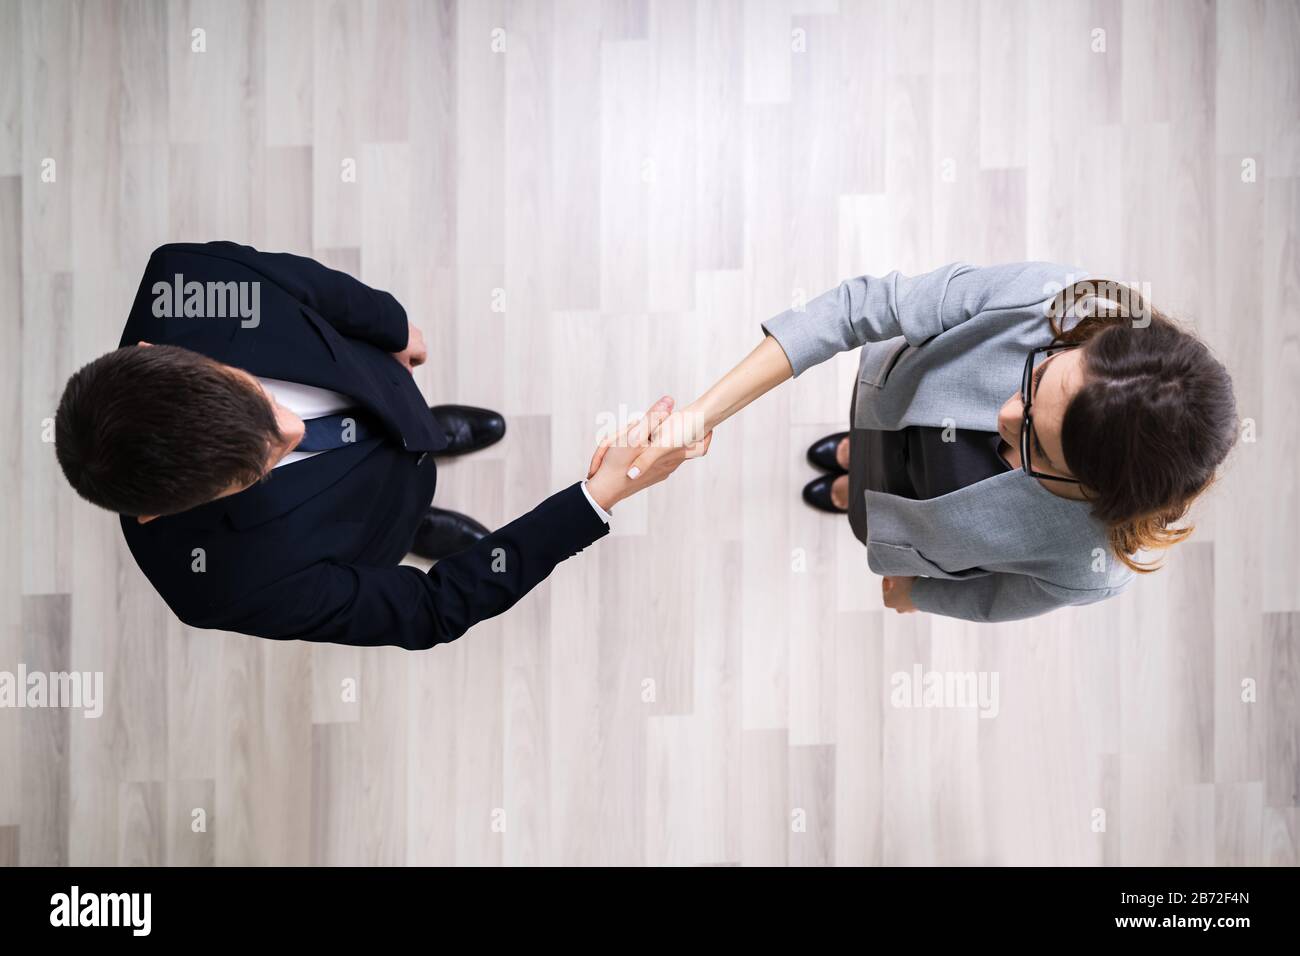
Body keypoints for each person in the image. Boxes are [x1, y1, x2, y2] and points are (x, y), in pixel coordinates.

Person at [55, 241, 709, 649]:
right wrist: (599, 495)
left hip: (380, 388)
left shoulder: (183, 284)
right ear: (160, 515)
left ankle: (426, 434)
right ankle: (416, 524)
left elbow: (302, 285)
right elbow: (427, 609)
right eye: (258, 468)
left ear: (158, 350)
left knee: (415, 428)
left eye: (255, 395)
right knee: (396, 528)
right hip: (362, 531)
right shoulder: (216, 589)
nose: (292, 430)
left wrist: (392, 326)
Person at [610, 262, 1239, 622]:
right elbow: (861, 308)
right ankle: (855, 456)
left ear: (1099, 497)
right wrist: (701, 413)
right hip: (888, 400)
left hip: (906, 525)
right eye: (1039, 376)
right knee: (869, 442)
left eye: (1036, 449)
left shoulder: (1090, 569)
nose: (1005, 414)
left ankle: (849, 490)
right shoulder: (1052, 302)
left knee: (865, 501)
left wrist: (922, 595)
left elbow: (996, 599)